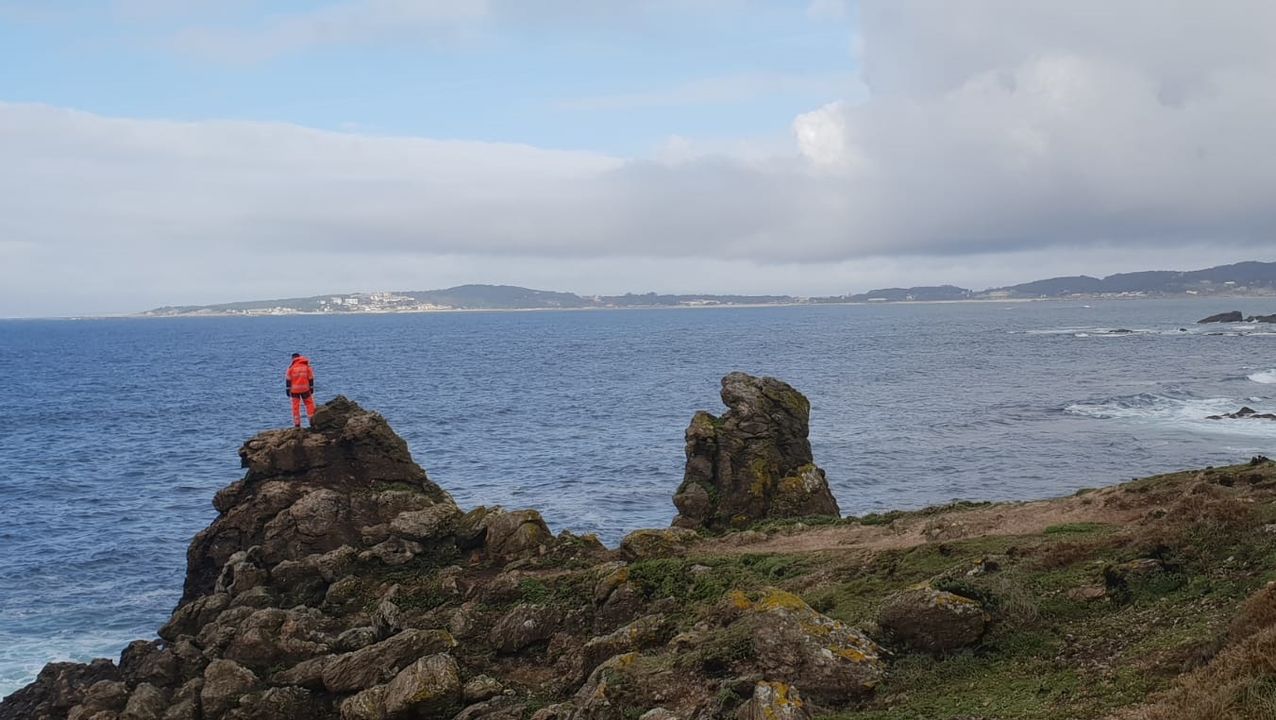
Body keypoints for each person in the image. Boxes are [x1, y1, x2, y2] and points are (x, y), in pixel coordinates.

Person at [286, 353, 316, 428]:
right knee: (309, 405)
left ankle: (297, 424)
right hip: (305, 389)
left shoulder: (291, 367)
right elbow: (311, 378)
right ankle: (312, 421)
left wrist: (287, 390)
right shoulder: (306, 366)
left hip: (294, 390)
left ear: (293, 358)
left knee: (295, 407)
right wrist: (311, 388)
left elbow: (288, 380)